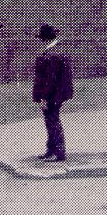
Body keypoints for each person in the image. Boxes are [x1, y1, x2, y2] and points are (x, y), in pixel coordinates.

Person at [32, 22, 73, 162]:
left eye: (41, 39)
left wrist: (44, 98)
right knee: (50, 121)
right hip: (56, 94)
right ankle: (51, 150)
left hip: (52, 95)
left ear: (45, 39)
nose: (39, 42)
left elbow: (49, 80)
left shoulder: (52, 54)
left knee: (53, 121)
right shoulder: (56, 50)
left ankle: (58, 152)